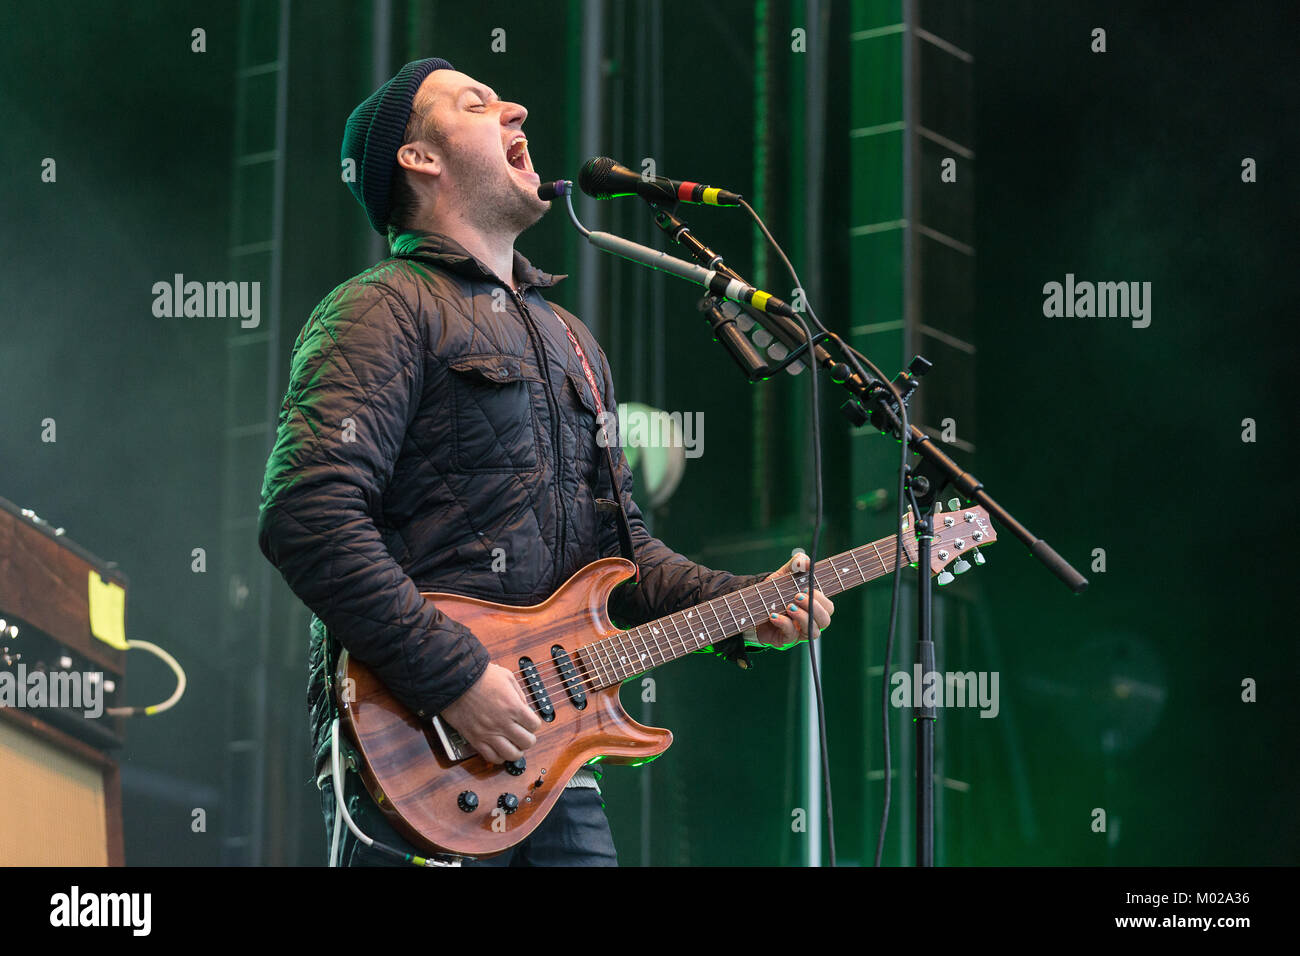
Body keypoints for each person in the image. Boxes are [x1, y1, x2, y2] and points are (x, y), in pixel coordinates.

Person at [257, 56, 833, 867]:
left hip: (557, 773)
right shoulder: (379, 307)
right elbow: (306, 515)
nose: (518, 110)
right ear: (419, 158)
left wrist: (747, 603)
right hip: (420, 764)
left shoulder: (572, 341)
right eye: (478, 103)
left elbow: (627, 560)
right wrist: (453, 677)